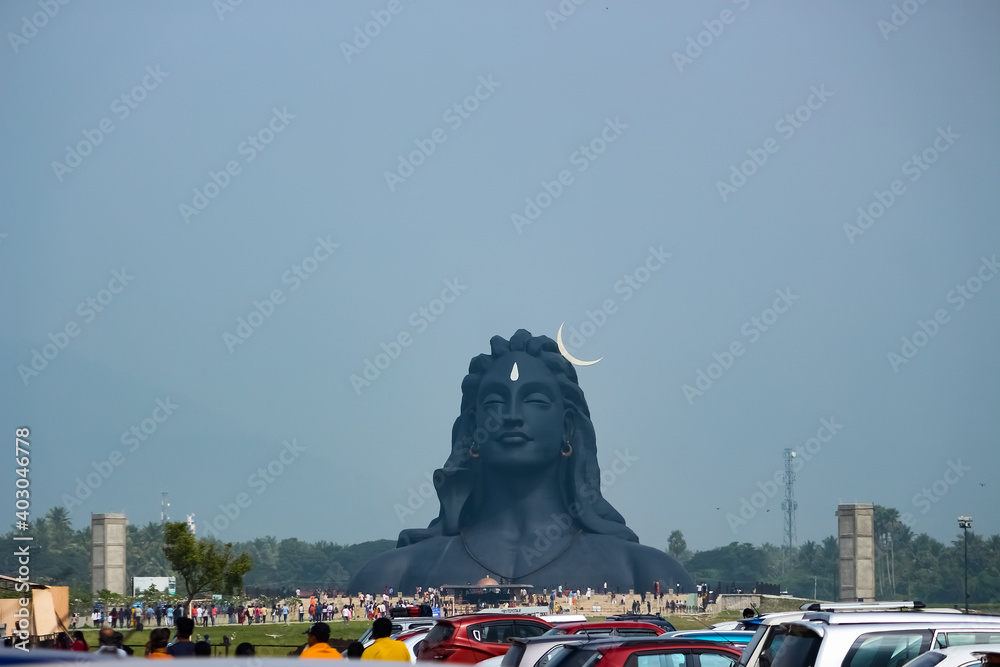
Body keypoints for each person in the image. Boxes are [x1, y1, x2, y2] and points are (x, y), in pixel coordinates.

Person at [347, 330, 695, 592]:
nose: (511, 416)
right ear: (472, 429)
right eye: (496, 402)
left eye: (536, 401)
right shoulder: (393, 574)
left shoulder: (645, 572)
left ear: (568, 427)